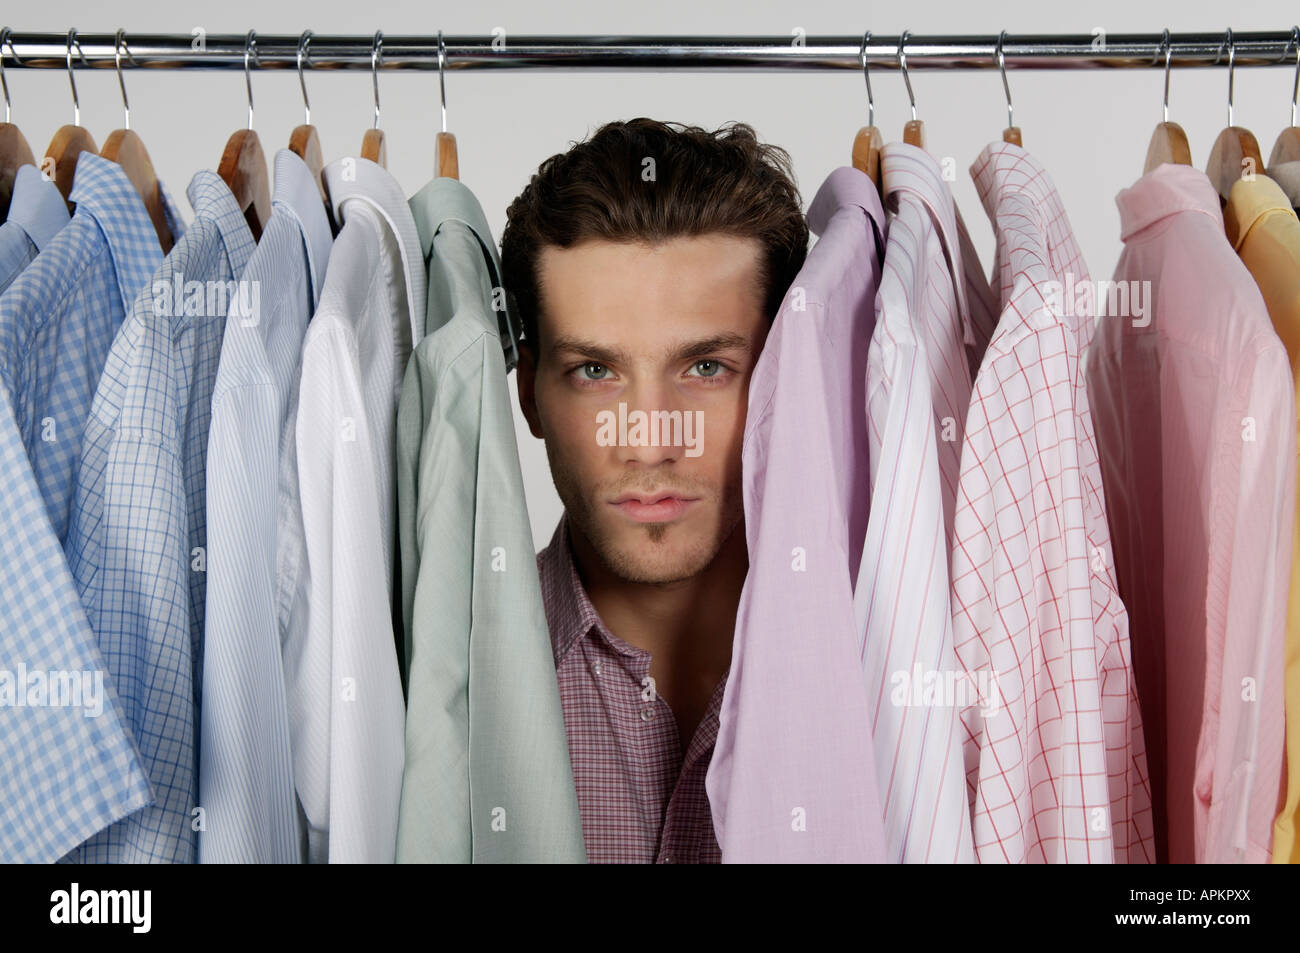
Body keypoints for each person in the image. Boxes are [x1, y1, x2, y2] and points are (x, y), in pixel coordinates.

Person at [501, 117, 808, 863]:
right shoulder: (442, 688)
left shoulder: (888, 669)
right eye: (595, 372)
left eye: (706, 367)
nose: (649, 441)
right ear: (531, 396)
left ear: (784, 383)